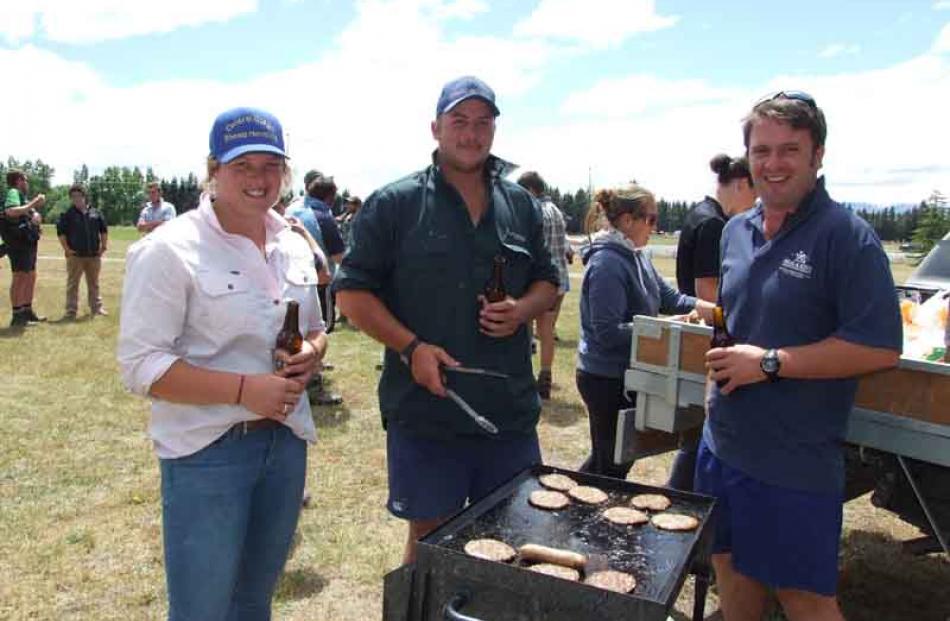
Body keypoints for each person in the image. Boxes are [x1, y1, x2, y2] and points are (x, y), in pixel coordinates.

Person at [334, 75, 559, 563]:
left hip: (508, 412)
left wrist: (522, 310)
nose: (472, 133)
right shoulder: (396, 203)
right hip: (427, 412)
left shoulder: (520, 205)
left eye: (483, 123)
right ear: (436, 128)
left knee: (511, 542)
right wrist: (411, 347)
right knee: (431, 542)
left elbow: (549, 281)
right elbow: (350, 293)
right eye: (460, 121)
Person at [117, 107, 328, 620]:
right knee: (202, 610)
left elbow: (317, 331)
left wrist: (311, 356)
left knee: (254, 602)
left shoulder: (292, 241)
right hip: (206, 453)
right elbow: (142, 366)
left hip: (284, 443)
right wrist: (243, 390)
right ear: (214, 169)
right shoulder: (168, 249)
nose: (259, 179)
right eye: (243, 166)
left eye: (270, 165)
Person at [699, 92, 902, 621]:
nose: (773, 163)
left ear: (818, 156)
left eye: (790, 149)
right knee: (731, 577)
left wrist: (769, 363)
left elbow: (879, 346)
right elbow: (730, 323)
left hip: (794, 460)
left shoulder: (847, 238)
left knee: (805, 600)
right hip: (722, 447)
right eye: (761, 150)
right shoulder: (735, 231)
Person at [576, 185, 714, 480]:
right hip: (604, 378)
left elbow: (672, 299)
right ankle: (572, 512)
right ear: (627, 221)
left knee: (616, 459)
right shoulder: (607, 263)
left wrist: (716, 310)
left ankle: (573, 504)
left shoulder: (637, 256)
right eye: (650, 219)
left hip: (627, 374)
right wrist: (663, 328)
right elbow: (608, 333)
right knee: (610, 464)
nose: (656, 225)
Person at [667, 154, 756, 491]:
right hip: (710, 337)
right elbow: (709, 291)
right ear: (740, 184)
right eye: (754, 193)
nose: (755, 202)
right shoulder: (713, 224)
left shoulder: (699, 214)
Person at [517, 171, 570, 399]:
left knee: (526, 329)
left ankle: (525, 377)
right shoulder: (556, 211)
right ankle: (545, 377)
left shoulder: (534, 210)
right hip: (559, 281)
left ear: (530, 190)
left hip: (539, 282)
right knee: (547, 331)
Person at [56, 183, 109, 319]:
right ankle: (71, 311)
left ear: (85, 197)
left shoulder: (95, 213)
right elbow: (61, 233)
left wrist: (103, 246)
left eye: (79, 196)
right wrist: (67, 249)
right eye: (73, 197)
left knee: (94, 283)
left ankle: (96, 308)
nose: (76, 199)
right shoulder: (67, 214)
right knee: (73, 284)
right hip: (76, 256)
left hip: (93, 256)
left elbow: (103, 230)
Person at [2, 169, 46, 327]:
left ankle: (27, 311)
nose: (27, 183)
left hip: (27, 241)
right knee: (20, 276)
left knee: (30, 275)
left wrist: (35, 220)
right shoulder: (13, 192)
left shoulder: (22, 197)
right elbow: (11, 211)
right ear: (19, 180)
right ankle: (17, 314)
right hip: (17, 242)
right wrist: (35, 202)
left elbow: (28, 214)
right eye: (25, 180)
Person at [305, 173, 346, 333]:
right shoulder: (324, 218)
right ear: (330, 197)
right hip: (320, 283)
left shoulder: (290, 211)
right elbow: (339, 257)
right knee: (322, 329)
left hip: (290, 284)